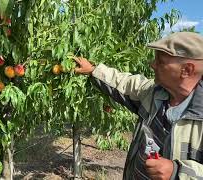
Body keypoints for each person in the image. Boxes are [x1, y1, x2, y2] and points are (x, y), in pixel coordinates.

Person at [74, 32, 203, 180]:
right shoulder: (154, 93)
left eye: (160, 61)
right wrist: (93, 70)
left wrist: (178, 172)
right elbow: (124, 83)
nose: (152, 64)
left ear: (187, 70)